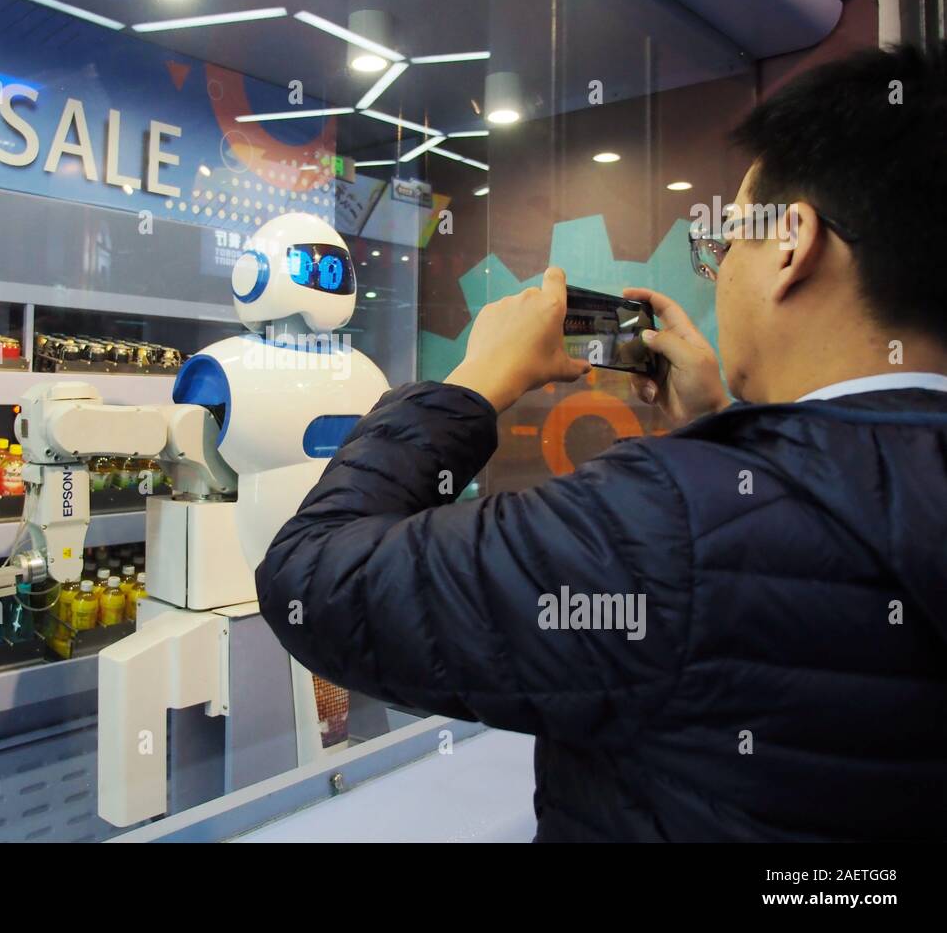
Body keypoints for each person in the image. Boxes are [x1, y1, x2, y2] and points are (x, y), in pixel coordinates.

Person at [255, 42, 947, 842]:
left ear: (792, 243)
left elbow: (315, 578)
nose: (718, 274)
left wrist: (474, 383)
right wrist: (717, 431)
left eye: (725, 245)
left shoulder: (668, 519)